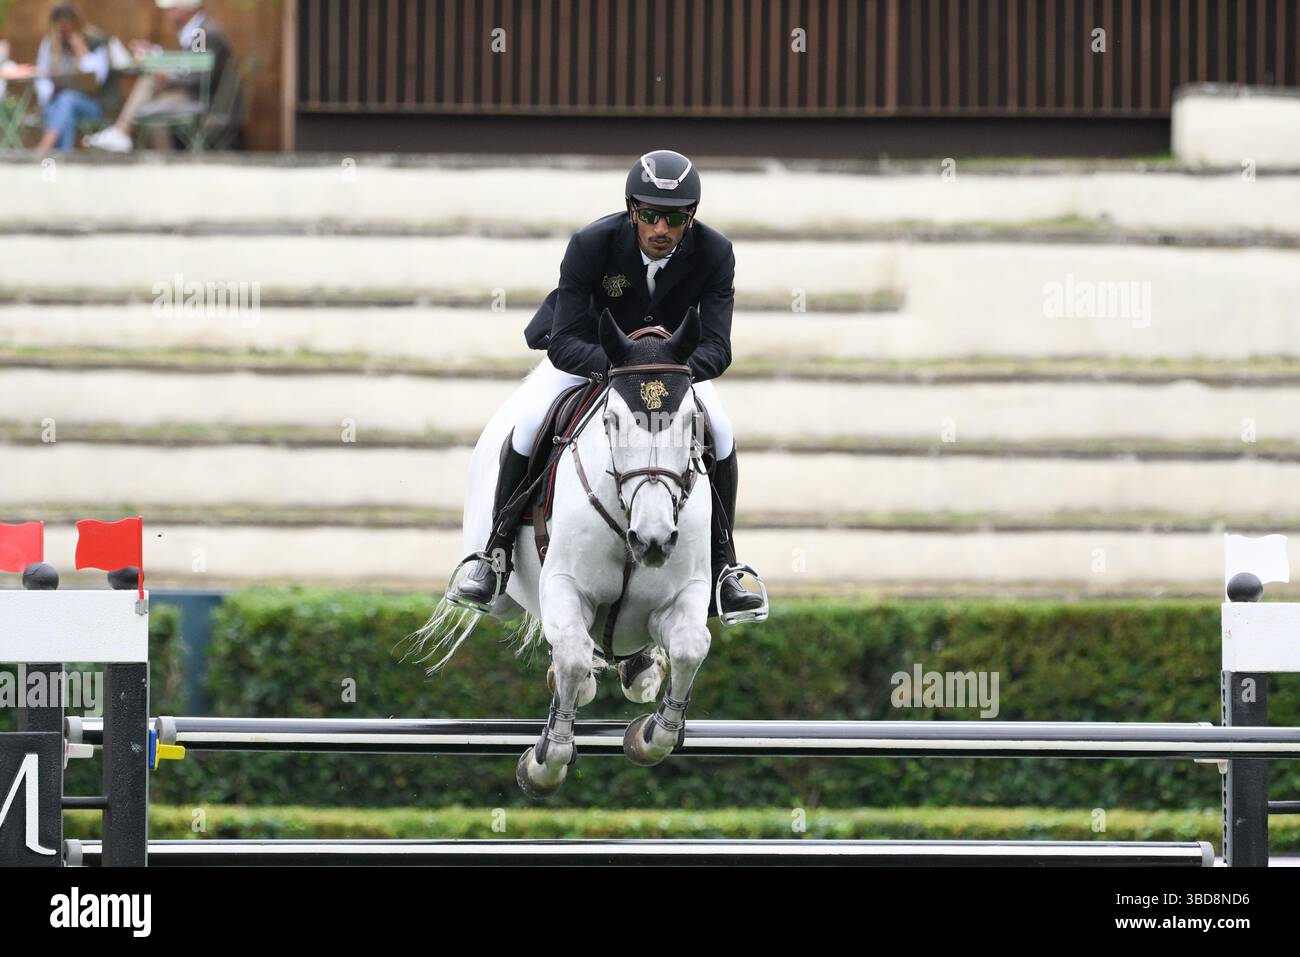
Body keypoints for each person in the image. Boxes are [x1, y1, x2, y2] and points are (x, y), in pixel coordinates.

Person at [450, 149, 767, 622]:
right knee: (528, 421)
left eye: (675, 217)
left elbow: (717, 348)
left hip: (671, 371)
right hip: (591, 358)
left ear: (691, 217)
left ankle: (723, 569)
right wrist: (621, 372)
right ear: (632, 210)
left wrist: (664, 371)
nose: (662, 229)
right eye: (651, 215)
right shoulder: (592, 244)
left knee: (720, 431)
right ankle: (494, 556)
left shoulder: (716, 253)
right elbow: (563, 341)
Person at [85, 0, 237, 153]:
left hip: (204, 100)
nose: (168, 15)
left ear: (183, 10)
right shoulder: (199, 30)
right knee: (150, 100)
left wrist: (168, 78)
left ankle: (122, 131)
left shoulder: (203, 33)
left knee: (150, 89)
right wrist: (157, 54)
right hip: (193, 95)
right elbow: (188, 67)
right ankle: (129, 136)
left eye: (171, 10)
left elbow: (198, 78)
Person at [33, 4, 120, 155]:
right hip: (58, 104)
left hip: (96, 105)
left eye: (68, 27)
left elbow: (97, 79)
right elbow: (42, 79)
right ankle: (63, 160)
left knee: (66, 101)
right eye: (61, 29)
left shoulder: (96, 41)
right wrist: (49, 94)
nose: (65, 33)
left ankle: (43, 152)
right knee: (63, 108)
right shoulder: (50, 44)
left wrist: (81, 51)